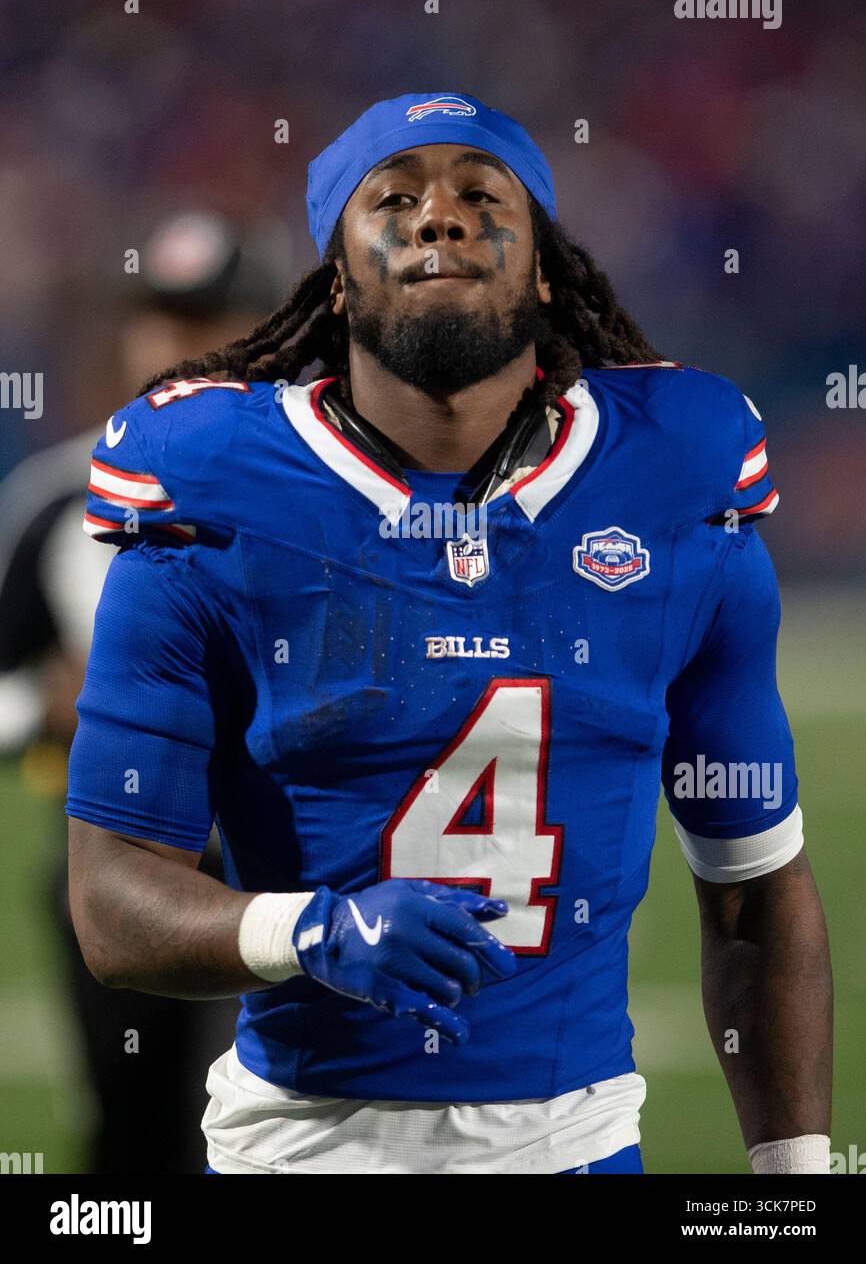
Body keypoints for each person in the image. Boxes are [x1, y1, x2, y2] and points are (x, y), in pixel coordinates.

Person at [66, 92, 832, 1175]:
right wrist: (311, 933)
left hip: (577, 1142)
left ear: (543, 269)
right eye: (393, 198)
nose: (438, 217)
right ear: (337, 277)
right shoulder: (212, 497)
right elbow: (110, 902)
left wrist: (791, 1187)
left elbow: (753, 890)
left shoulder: (673, 489)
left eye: (480, 194)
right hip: (301, 1145)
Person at [0, 209, 291, 1173]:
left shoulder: (337, 494)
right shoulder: (53, 498)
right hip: (116, 866)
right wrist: (46, 710)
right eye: (162, 318)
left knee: (270, 1130)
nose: (180, 345)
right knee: (126, 1139)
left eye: (210, 317)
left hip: (287, 868)